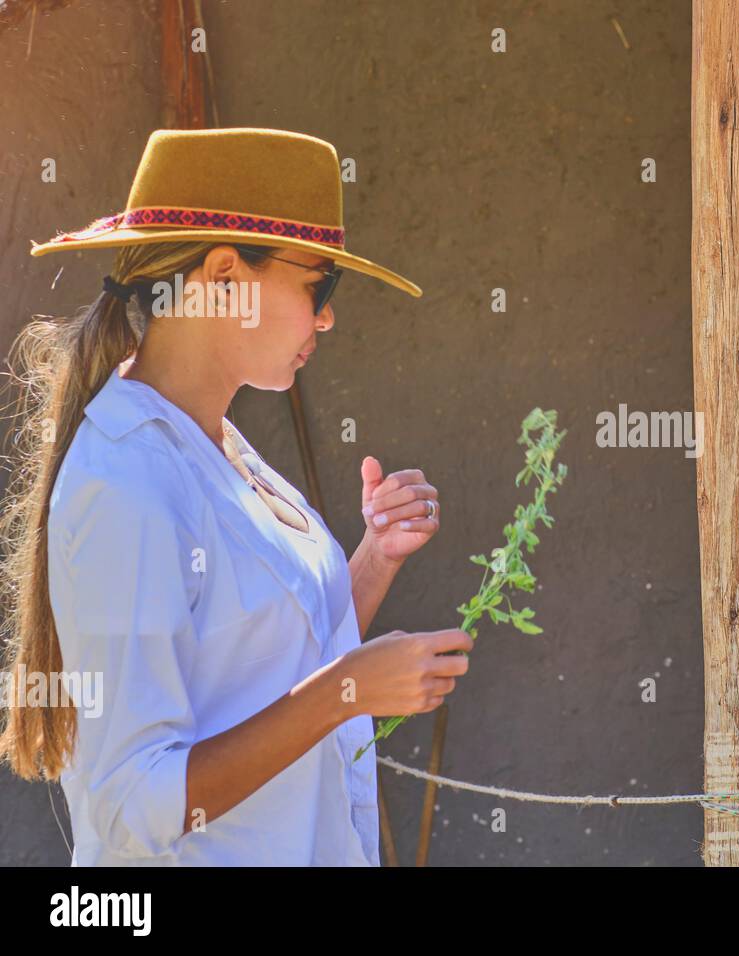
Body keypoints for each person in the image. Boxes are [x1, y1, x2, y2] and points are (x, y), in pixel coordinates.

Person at [0, 128, 470, 865]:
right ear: (225, 274)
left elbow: (264, 661)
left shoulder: (212, 445)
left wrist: (375, 559)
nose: (327, 316)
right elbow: (134, 806)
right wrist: (348, 690)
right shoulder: (123, 483)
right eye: (319, 283)